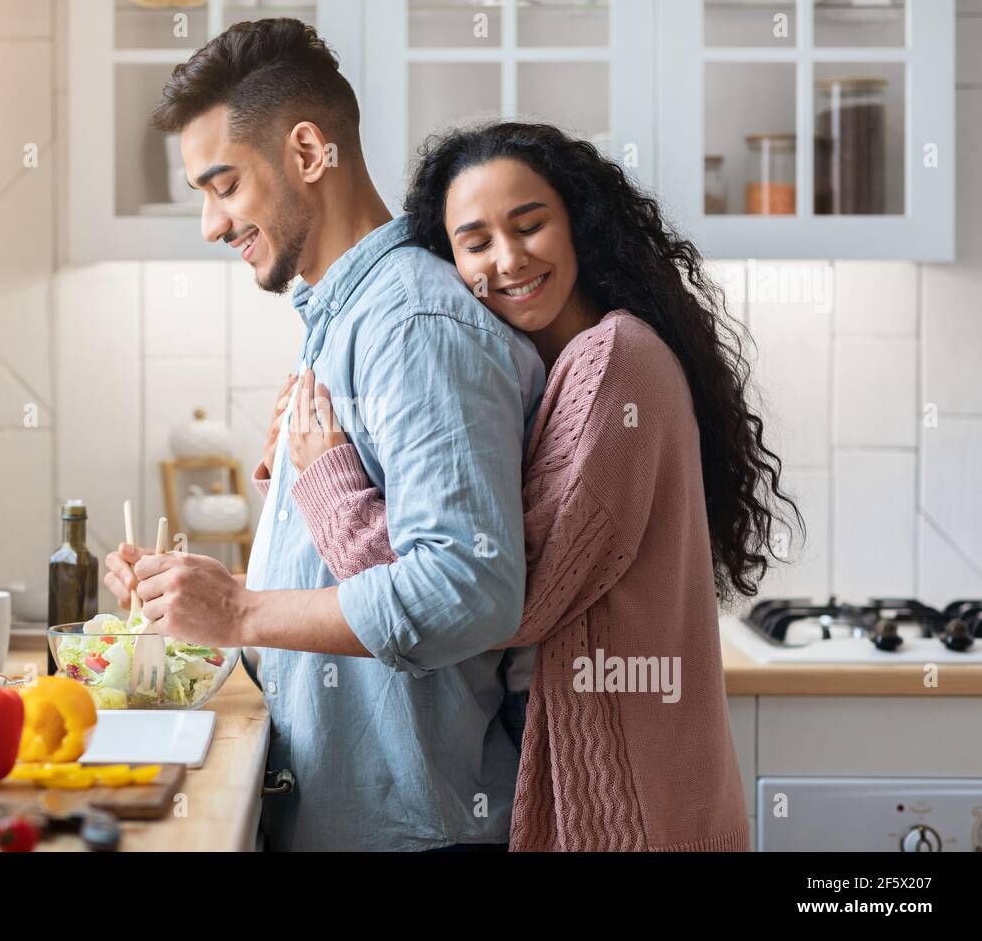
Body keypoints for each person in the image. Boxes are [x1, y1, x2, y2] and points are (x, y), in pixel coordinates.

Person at [271, 122, 801, 850]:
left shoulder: (614, 362)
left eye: (529, 226)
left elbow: (486, 604)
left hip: (632, 811)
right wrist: (320, 453)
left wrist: (329, 486)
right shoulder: (552, 371)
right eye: (475, 242)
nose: (509, 259)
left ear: (579, 223)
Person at [105, 19, 544, 851]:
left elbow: (465, 591)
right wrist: (199, 596)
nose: (210, 223)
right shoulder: (345, 320)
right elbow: (344, 578)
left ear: (308, 152)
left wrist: (239, 610)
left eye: (224, 186)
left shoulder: (414, 326)